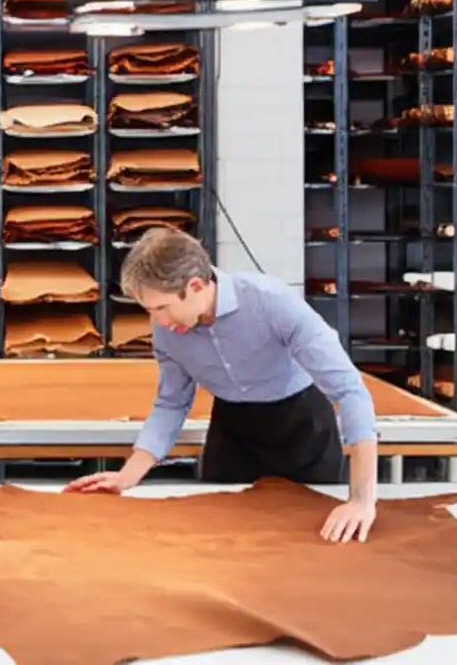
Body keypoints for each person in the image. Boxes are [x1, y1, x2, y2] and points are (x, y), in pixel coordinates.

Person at [63, 228, 379, 544]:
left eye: (162, 308)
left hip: (302, 427)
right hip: (232, 434)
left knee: (309, 546)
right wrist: (126, 476)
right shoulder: (168, 331)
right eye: (150, 311)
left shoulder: (272, 302)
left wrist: (362, 500)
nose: (159, 321)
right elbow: (171, 404)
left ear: (196, 286)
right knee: (219, 541)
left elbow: (349, 390)